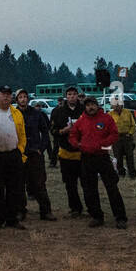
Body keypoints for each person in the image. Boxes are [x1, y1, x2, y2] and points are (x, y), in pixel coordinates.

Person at [71, 97, 127, 228]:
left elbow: (114, 134)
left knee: (112, 187)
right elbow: (73, 135)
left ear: (97, 105)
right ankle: (96, 216)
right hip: (87, 158)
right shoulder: (81, 120)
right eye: (88, 105)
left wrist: (102, 144)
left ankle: (120, 217)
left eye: (93, 105)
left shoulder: (106, 118)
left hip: (102, 158)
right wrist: (78, 145)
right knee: (89, 189)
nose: (90, 107)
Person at [0, 86, 28, 230]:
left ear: (12, 97)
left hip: (13, 155)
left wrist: (20, 151)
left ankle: (12, 218)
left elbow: (22, 135)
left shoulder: (16, 113)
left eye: (8, 95)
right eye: (3, 94)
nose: (6, 97)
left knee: (14, 189)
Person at [15, 89, 56, 221]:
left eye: (25, 97)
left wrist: (41, 148)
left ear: (28, 98)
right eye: (20, 97)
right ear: (17, 100)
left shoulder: (37, 113)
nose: (23, 99)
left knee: (39, 183)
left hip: (35, 153)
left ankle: (46, 211)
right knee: (19, 183)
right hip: (19, 153)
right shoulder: (13, 114)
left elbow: (45, 132)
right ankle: (20, 210)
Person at [50, 86, 86, 217]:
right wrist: (63, 131)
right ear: (66, 96)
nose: (72, 96)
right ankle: (75, 208)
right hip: (66, 152)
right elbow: (52, 130)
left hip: (83, 153)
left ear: (78, 95)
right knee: (70, 184)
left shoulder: (84, 110)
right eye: (69, 94)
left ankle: (92, 208)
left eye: (74, 94)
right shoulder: (58, 111)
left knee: (87, 183)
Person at [108, 95, 136, 178]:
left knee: (130, 156)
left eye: (118, 103)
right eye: (114, 103)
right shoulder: (109, 114)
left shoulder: (128, 112)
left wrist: (130, 133)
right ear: (112, 105)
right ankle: (121, 173)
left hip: (127, 137)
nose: (117, 105)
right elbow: (107, 127)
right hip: (116, 138)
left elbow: (133, 125)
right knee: (118, 156)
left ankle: (132, 173)